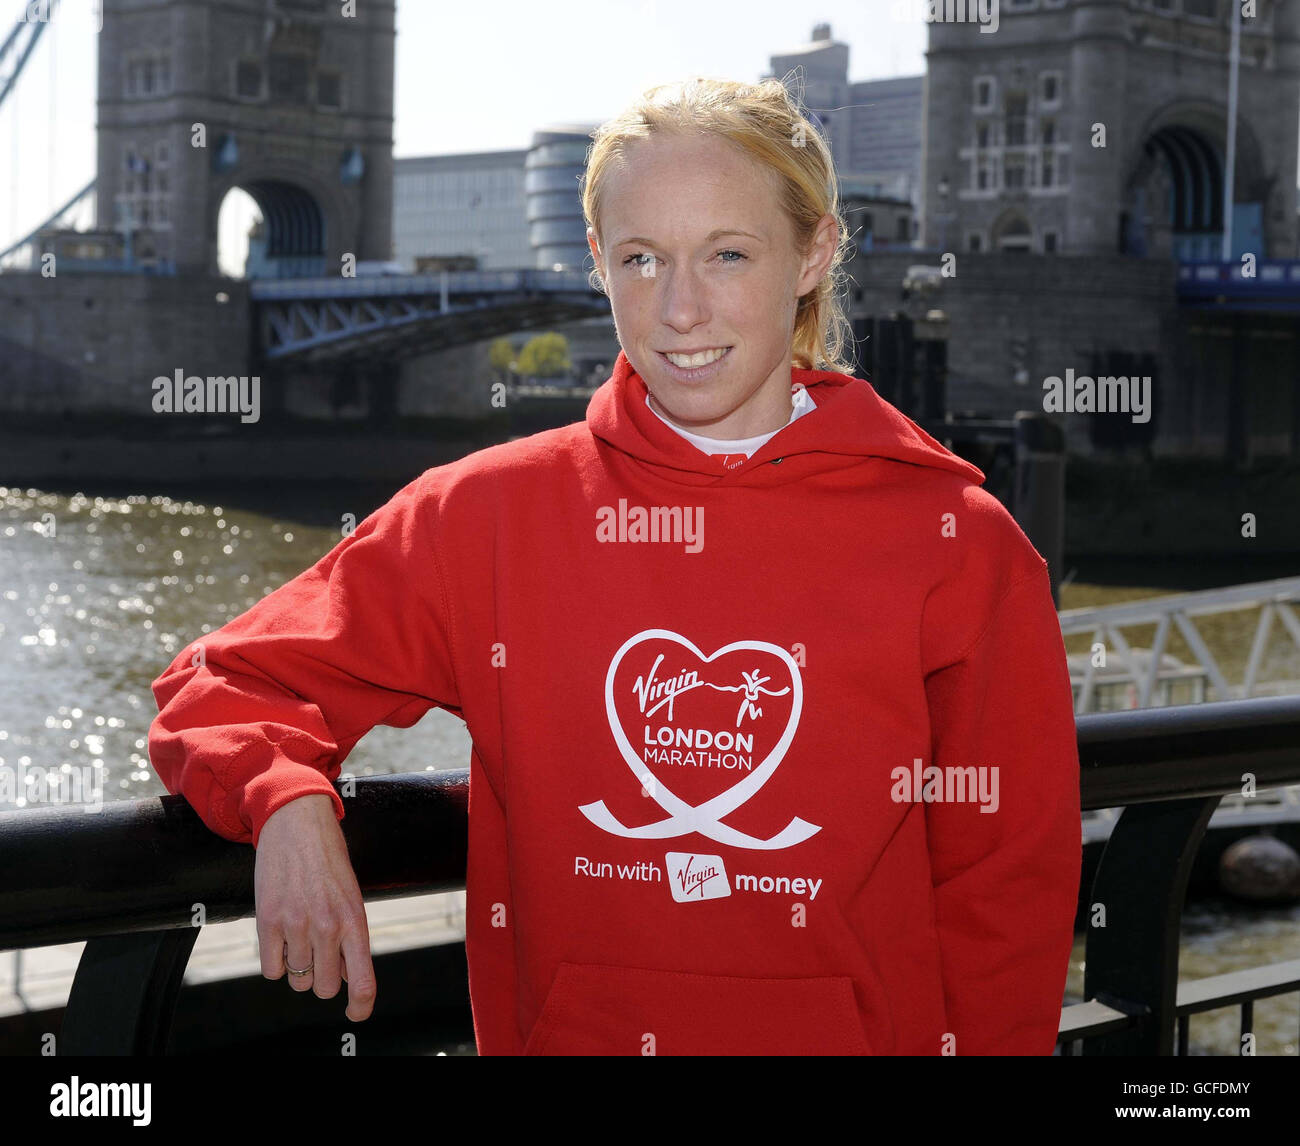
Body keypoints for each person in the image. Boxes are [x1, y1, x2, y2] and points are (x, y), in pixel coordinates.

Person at [148, 75, 1082, 1055]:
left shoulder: (958, 545)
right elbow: (227, 682)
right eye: (641, 258)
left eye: (727, 254)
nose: (680, 309)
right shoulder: (486, 517)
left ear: (813, 253)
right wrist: (288, 801)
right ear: (595, 261)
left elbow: (1006, 896)